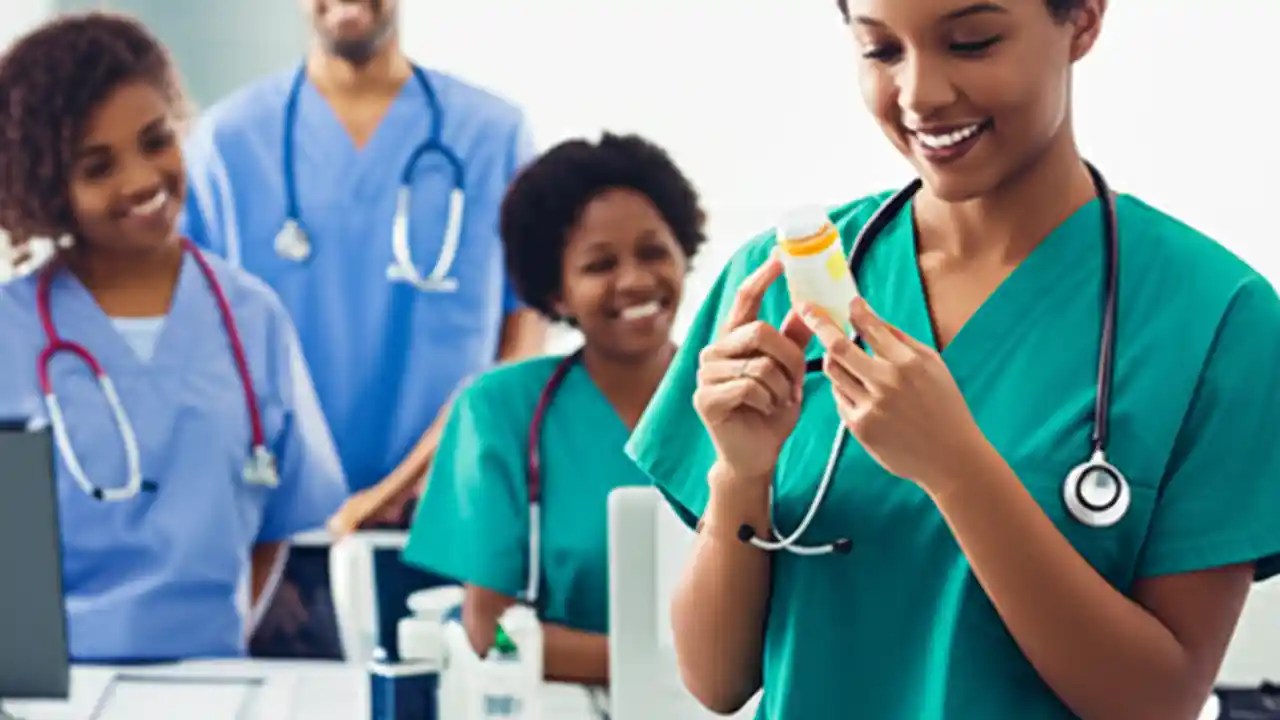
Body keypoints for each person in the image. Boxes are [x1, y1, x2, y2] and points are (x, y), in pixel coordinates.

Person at [625, 1, 1280, 719]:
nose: (919, 94)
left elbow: (1155, 704)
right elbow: (715, 681)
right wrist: (740, 474)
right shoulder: (785, 280)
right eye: (881, 51)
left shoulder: (1219, 318)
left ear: (1085, 20)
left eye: (971, 42)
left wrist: (957, 470)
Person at [181, 0, 546, 657]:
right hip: (281, 536)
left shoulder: (492, 133)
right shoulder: (227, 142)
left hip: (446, 516)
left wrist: (426, 470)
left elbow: (524, 325)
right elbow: (196, 346)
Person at [0, 12, 347, 662]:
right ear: (50, 186)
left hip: (216, 677)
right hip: (51, 689)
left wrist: (220, 638)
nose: (141, 181)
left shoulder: (252, 316)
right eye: (97, 167)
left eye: (156, 141)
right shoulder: (9, 332)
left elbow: (279, 517)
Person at [402, 133, 707, 688]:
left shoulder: (751, 397)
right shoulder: (498, 411)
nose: (635, 280)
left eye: (653, 251)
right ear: (557, 292)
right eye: (599, 265)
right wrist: (682, 674)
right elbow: (487, 631)